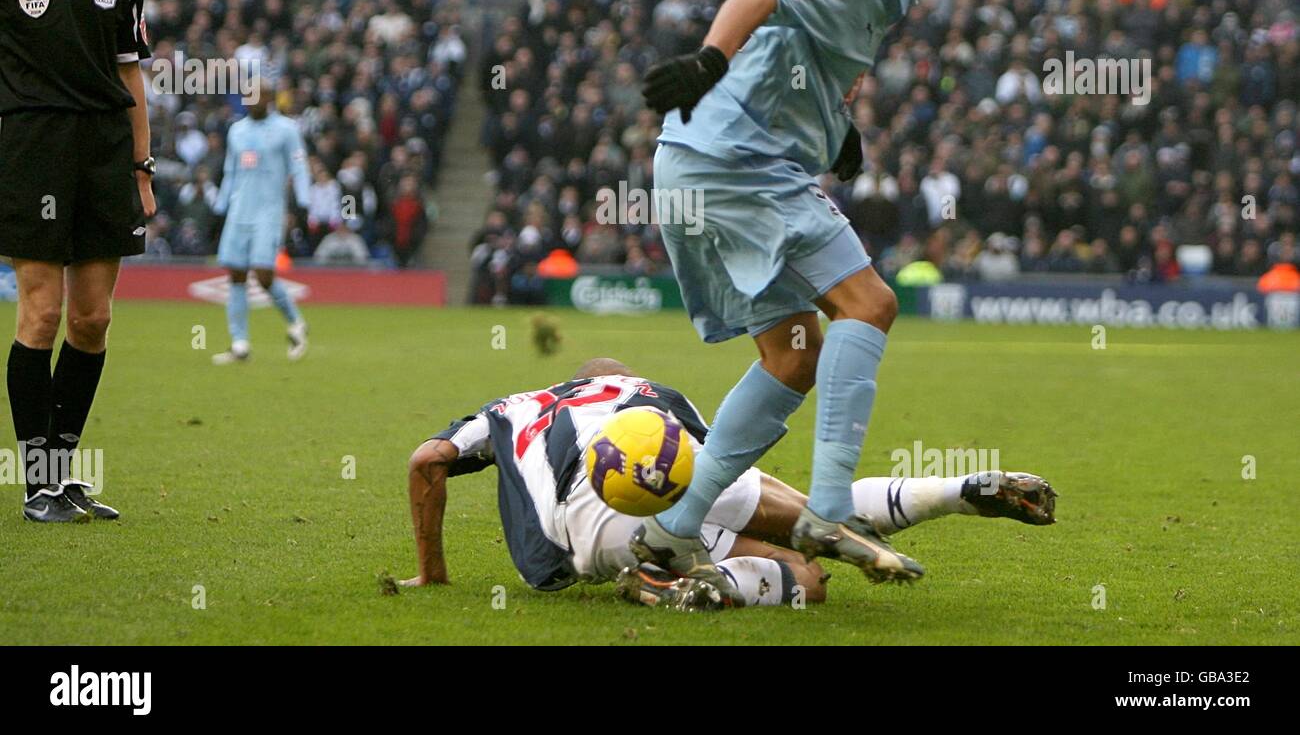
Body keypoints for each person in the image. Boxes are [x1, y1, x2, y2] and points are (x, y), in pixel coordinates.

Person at [636, 0, 1031, 600]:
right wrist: (709, 60)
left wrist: (836, 125)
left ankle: (673, 533)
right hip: (735, 164)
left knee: (793, 355)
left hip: (701, 165)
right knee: (871, 303)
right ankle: (823, 513)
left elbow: (801, 47)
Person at [401, 358, 1057, 611]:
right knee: (807, 541)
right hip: (678, 459)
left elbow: (425, 461)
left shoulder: (511, 407)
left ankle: (686, 582)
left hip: (583, 520)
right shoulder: (649, 389)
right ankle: (953, 491)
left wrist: (432, 570)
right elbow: (720, 458)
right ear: (614, 375)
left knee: (805, 585)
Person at [0, 0, 156, 522]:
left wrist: (142, 167)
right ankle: (37, 482)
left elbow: (132, 72)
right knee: (42, 311)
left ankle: (63, 476)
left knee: (92, 319)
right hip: (32, 144)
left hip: (101, 151)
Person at [210, 87, 310, 363]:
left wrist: (303, 199)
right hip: (240, 209)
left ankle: (295, 321)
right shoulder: (237, 131)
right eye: (247, 96)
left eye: (257, 96)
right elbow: (231, 170)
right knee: (236, 274)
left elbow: (299, 165)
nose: (250, 101)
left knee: (264, 274)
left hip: (269, 210)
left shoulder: (286, 129)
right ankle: (239, 343)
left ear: (269, 99)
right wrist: (220, 205)